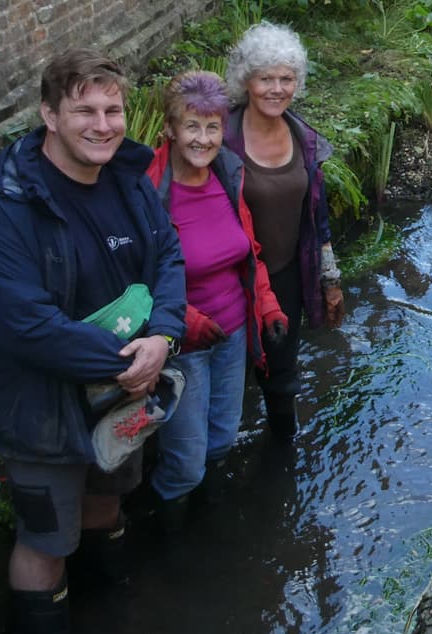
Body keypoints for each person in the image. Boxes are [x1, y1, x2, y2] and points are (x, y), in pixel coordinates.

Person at [0, 48, 186, 634]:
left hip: (122, 392)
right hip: (41, 409)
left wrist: (163, 335)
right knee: (45, 539)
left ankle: (112, 610)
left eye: (112, 109)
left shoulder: (127, 181)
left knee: (109, 496)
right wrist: (126, 360)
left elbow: (167, 257)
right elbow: (24, 324)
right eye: (84, 109)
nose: (103, 124)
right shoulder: (3, 205)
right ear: (49, 115)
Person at [144, 70, 288, 529]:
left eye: (212, 127)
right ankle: (170, 547)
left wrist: (266, 305)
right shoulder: (148, 188)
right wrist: (181, 320)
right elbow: (132, 278)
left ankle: (209, 531)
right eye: (192, 127)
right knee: (185, 460)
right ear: (170, 128)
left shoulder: (227, 173)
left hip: (233, 333)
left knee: (222, 439)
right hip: (181, 344)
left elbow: (249, 253)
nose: (203, 139)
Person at [224, 21, 345, 441]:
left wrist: (331, 281)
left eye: (286, 79)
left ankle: (280, 463)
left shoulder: (304, 140)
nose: (277, 89)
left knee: (282, 377)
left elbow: (318, 219)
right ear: (246, 81)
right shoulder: (220, 140)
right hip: (230, 282)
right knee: (227, 375)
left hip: (288, 277)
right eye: (266, 78)